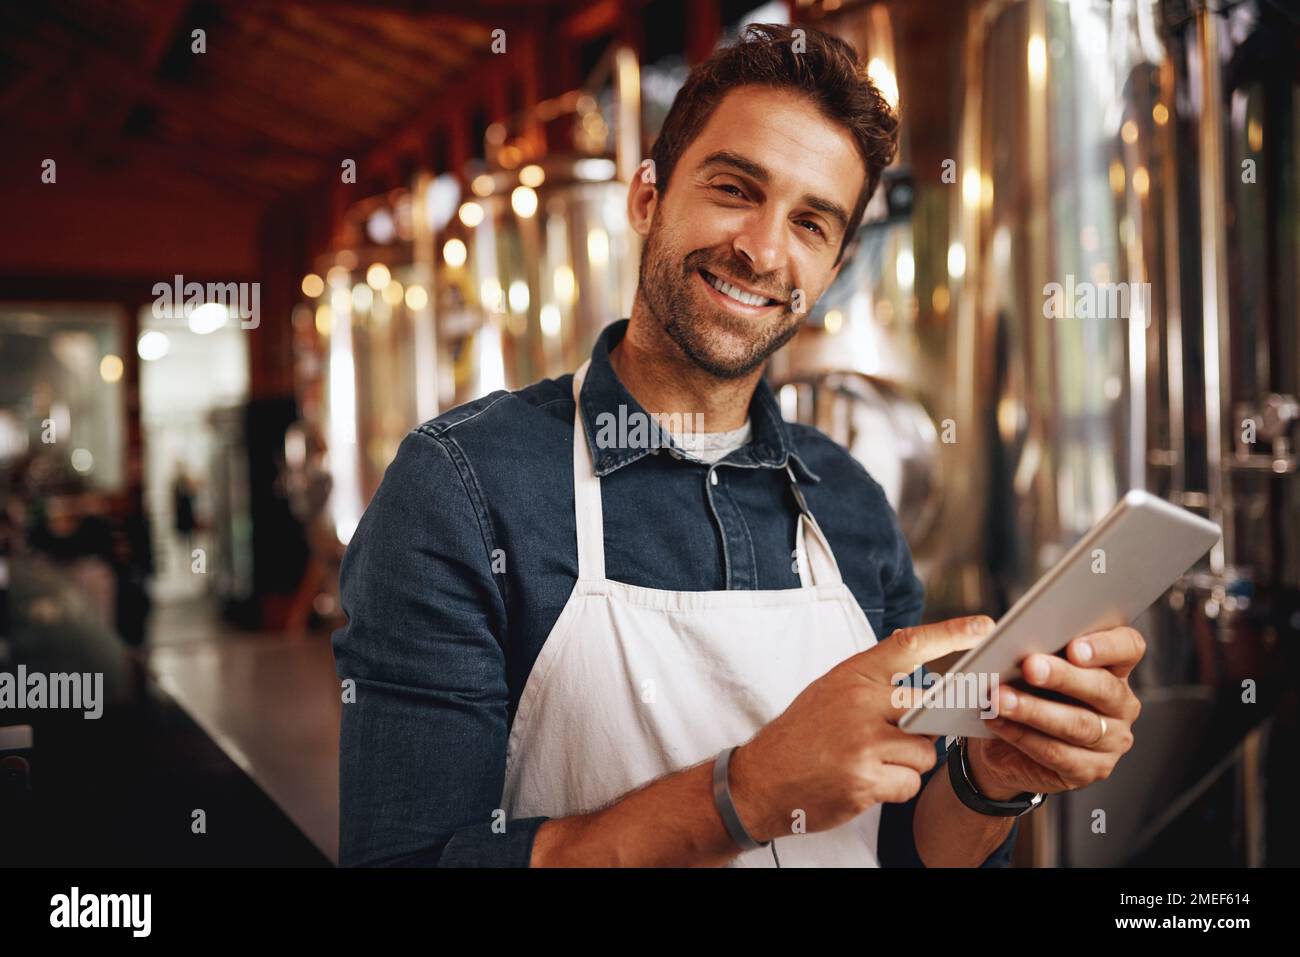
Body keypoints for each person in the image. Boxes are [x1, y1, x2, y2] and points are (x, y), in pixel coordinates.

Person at [333, 23, 1144, 868]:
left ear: (830, 271)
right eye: (733, 188)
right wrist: (747, 793)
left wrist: (990, 779)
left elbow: (904, 847)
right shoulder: (463, 491)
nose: (762, 250)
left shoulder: (851, 504)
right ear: (647, 197)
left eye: (811, 223)